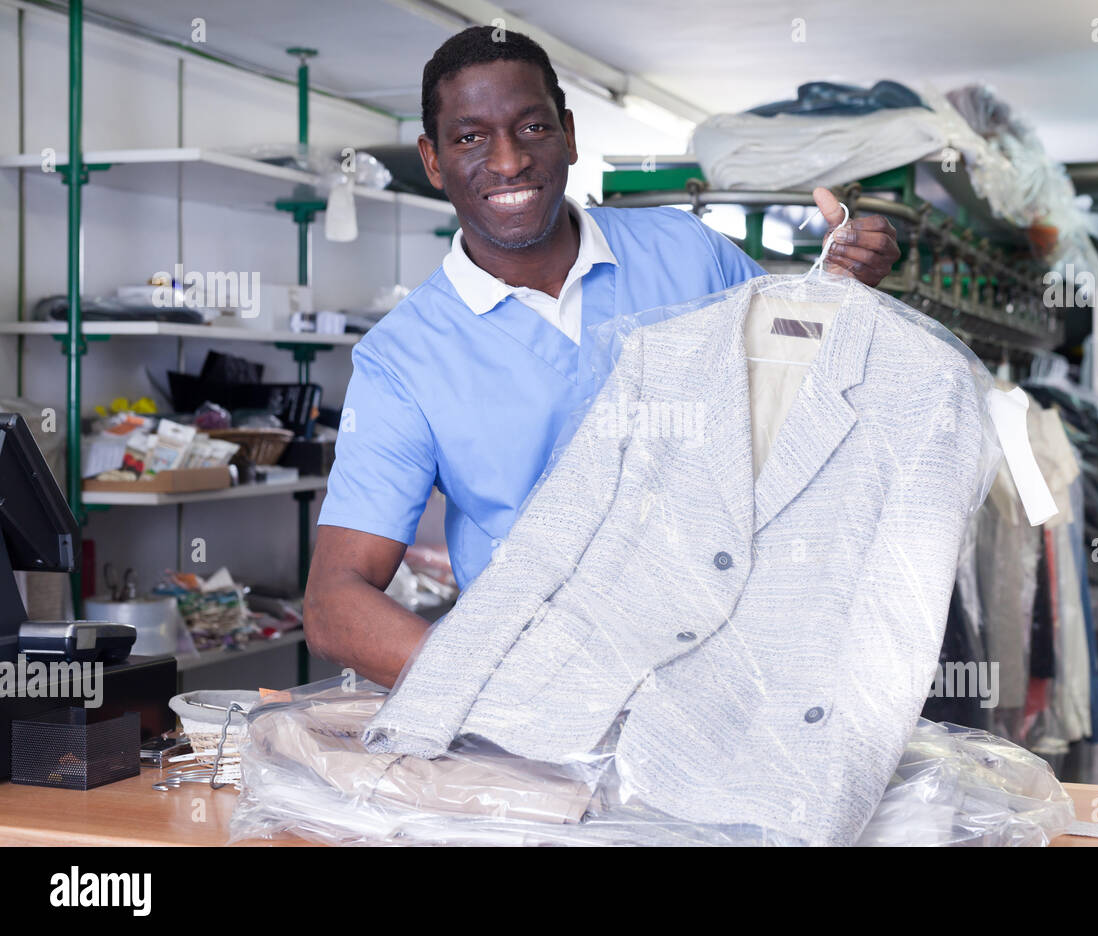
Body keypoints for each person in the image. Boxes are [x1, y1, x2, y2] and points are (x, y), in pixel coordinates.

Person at [304, 26, 901, 686]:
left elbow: (802, 390)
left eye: (531, 128)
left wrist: (844, 285)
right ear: (434, 159)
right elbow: (334, 604)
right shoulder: (404, 358)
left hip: (742, 670)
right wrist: (496, 687)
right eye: (470, 137)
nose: (507, 162)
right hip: (540, 701)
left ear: (568, 133)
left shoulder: (685, 252)